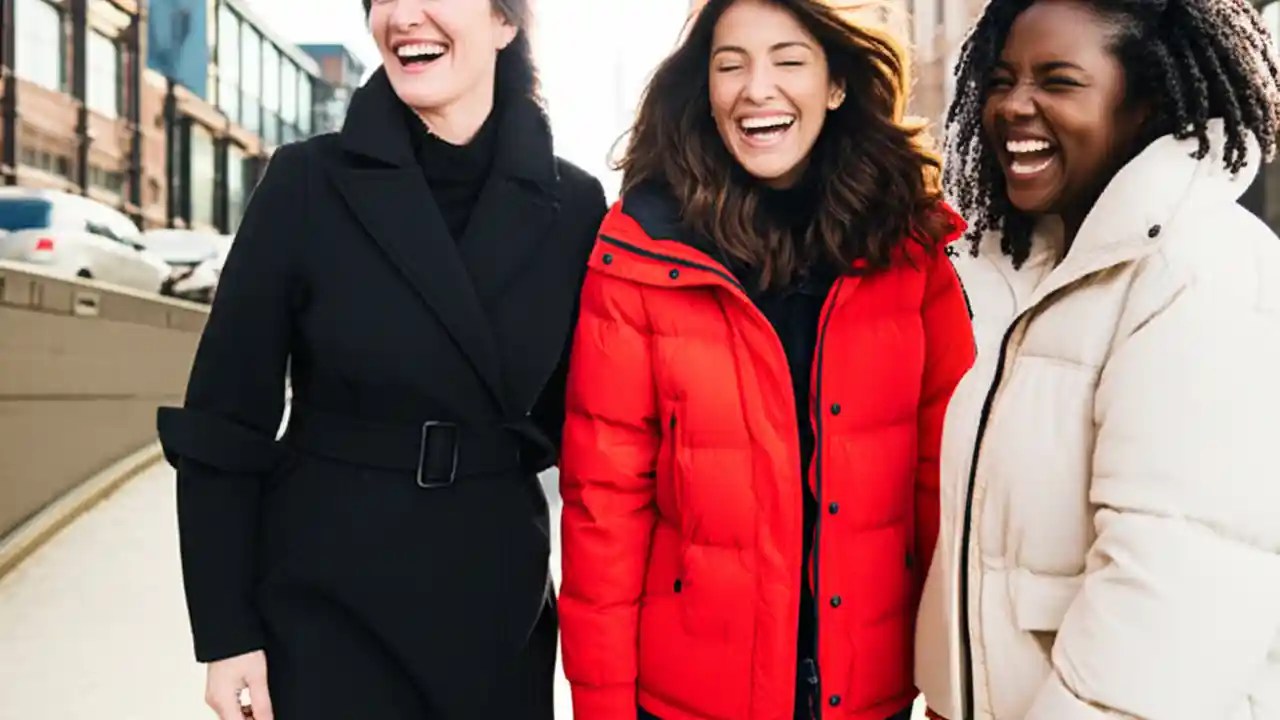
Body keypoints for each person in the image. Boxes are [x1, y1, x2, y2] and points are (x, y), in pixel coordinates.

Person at [155, 0, 607, 718]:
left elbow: (594, 428)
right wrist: (226, 633)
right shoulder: (306, 183)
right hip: (325, 602)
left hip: (493, 606)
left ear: (505, 22)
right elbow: (223, 420)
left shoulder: (577, 206)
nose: (404, 15)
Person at [556, 1, 975, 718]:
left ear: (835, 84)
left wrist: (956, 687)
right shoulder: (641, 252)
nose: (757, 88)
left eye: (788, 60)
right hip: (691, 695)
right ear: (707, 91)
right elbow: (604, 508)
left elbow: (949, 481)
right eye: (731, 66)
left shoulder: (912, 246)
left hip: (868, 690)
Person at [914, 0, 1280, 717]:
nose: (1015, 105)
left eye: (1058, 81)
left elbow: (1170, 605)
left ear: (1144, 102)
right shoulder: (1037, 276)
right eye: (1001, 79)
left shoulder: (1201, 270)